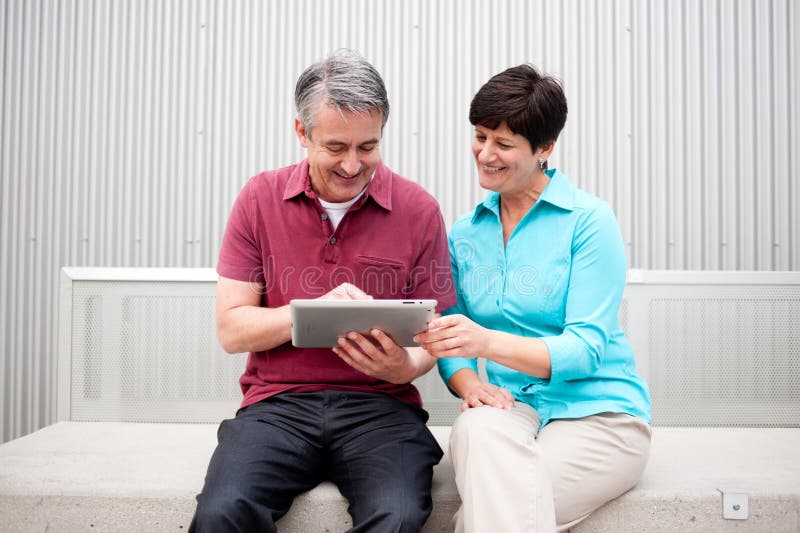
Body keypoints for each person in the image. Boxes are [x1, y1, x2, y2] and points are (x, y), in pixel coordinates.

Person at [190, 50, 456, 533]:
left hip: (383, 410)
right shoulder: (258, 199)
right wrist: (308, 311)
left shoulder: (419, 210)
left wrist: (405, 365)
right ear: (302, 133)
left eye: (368, 146)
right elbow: (232, 330)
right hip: (278, 407)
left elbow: (434, 337)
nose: (353, 165)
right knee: (221, 513)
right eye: (336, 147)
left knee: (397, 516)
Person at [414, 64, 652, 532]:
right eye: (480, 136)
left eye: (504, 144)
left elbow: (584, 351)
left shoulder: (589, 222)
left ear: (545, 148)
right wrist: (469, 385)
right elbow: (450, 327)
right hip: (509, 406)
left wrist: (485, 344)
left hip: (600, 414)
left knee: (502, 507)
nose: (485, 154)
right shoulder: (466, 232)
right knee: (477, 431)